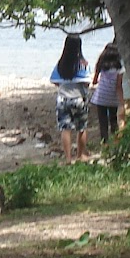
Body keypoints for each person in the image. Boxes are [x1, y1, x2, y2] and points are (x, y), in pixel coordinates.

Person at [49, 33, 91, 163]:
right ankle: (80, 155)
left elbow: (54, 80)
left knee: (65, 129)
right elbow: (86, 82)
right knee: (81, 127)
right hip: (78, 98)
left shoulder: (60, 63)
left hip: (63, 99)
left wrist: (64, 85)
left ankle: (68, 158)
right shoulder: (83, 64)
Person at [90, 42, 124, 143]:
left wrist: (102, 80)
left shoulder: (101, 65)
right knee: (113, 120)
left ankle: (104, 144)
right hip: (112, 98)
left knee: (103, 122)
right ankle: (116, 143)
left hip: (100, 97)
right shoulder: (119, 68)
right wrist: (122, 102)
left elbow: (95, 81)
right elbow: (118, 86)